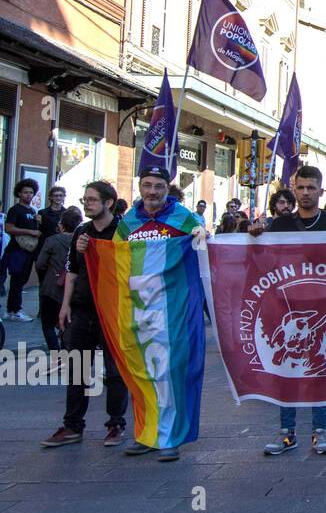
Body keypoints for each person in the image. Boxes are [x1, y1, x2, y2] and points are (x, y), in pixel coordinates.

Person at [251, 166, 326, 456]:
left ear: (321, 191)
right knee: (284, 370)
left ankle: (319, 431)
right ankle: (287, 433)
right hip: (287, 308)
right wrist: (256, 240)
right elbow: (262, 266)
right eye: (301, 188)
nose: (306, 193)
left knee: (319, 370)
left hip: (323, 304)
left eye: (312, 188)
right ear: (294, 189)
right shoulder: (278, 226)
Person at [111, 166, 209, 460]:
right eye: (147, 185)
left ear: (168, 189)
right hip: (139, 309)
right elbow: (114, 257)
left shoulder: (184, 217)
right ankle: (146, 433)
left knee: (171, 370)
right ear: (140, 188)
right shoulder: (128, 222)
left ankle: (170, 437)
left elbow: (205, 246)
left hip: (174, 309)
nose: (152, 192)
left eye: (158, 186)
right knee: (141, 372)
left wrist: (202, 235)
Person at [40, 182, 128, 451]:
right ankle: (72, 425)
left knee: (114, 371)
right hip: (82, 308)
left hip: (113, 309)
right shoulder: (81, 230)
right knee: (77, 368)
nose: (87, 203)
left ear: (108, 203)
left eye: (92, 199)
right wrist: (65, 306)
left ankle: (115, 424)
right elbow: (72, 272)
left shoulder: (123, 231)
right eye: (85, 199)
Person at [34, 207, 81, 352]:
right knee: (68, 325)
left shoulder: (52, 240)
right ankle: (66, 354)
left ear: (62, 224)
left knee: (48, 325)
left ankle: (57, 356)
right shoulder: (82, 242)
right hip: (75, 289)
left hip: (51, 288)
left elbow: (40, 263)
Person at [2, 178, 43, 322]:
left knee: (21, 280)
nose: (28, 195)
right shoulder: (15, 210)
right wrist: (30, 232)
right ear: (19, 193)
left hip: (28, 251)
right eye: (25, 192)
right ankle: (14, 310)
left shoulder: (32, 210)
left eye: (31, 192)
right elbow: (8, 228)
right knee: (17, 280)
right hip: (16, 250)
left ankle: (14, 309)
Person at [36, 185, 68, 254]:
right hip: (45, 245)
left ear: (63, 197)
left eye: (60, 195)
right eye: (56, 196)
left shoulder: (67, 213)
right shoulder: (42, 212)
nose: (58, 198)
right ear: (51, 197)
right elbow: (40, 230)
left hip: (61, 245)